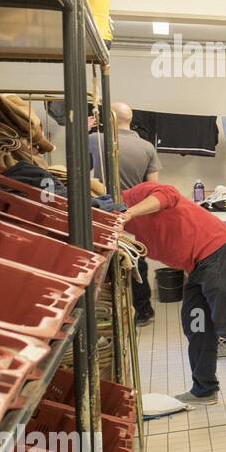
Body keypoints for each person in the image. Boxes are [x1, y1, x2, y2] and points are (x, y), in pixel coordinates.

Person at [121, 182, 226, 415]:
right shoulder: (125, 229)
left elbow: (168, 193)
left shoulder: (134, 196)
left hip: (214, 249)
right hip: (196, 266)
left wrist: (127, 214)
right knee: (196, 323)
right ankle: (204, 389)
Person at [91, 103, 161, 326]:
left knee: (105, 260)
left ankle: (110, 311)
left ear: (108, 119)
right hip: (136, 211)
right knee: (135, 257)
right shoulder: (147, 146)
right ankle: (143, 311)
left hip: (104, 209)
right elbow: (154, 187)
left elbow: (77, 164)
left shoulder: (95, 140)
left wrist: (85, 129)